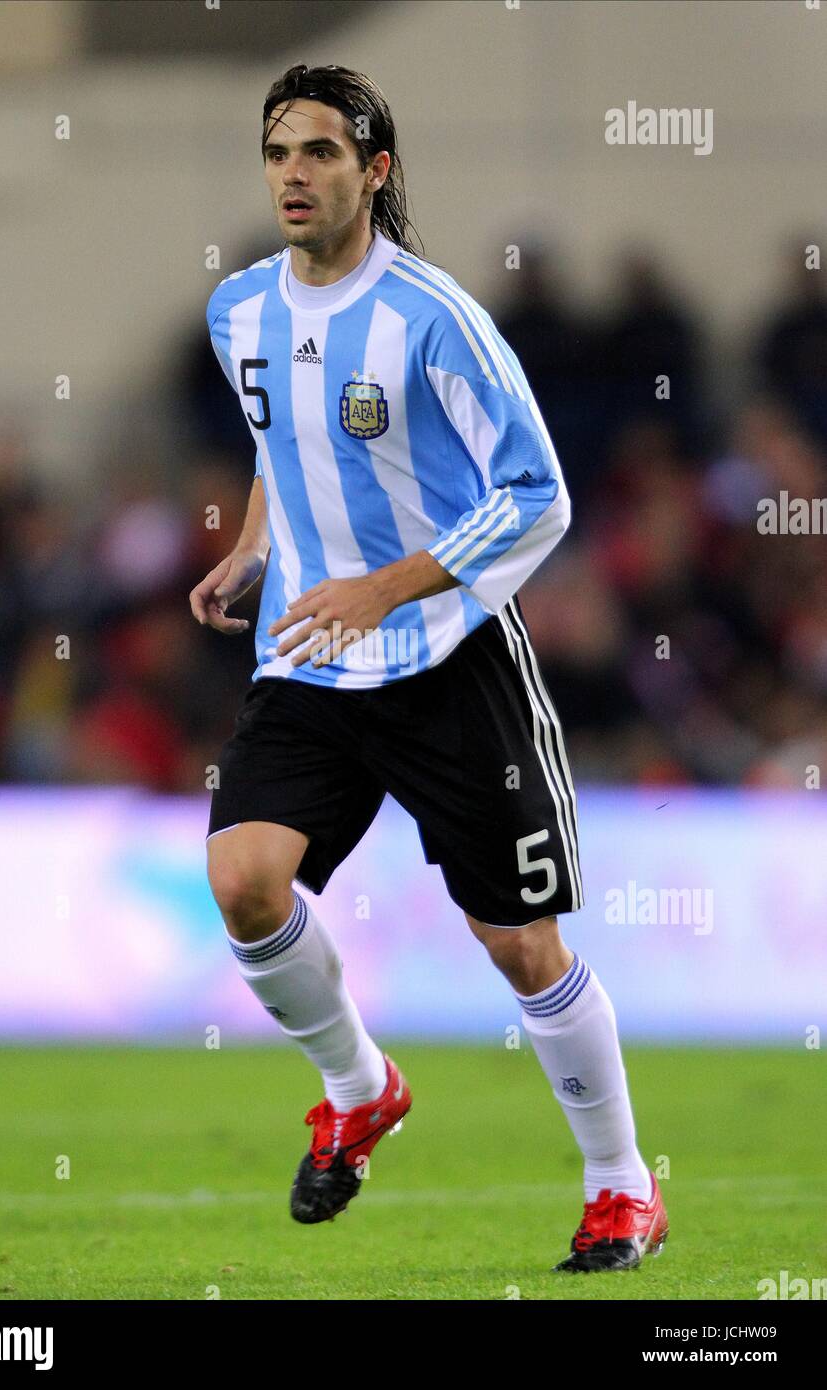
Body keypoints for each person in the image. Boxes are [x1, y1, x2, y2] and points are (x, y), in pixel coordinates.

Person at [190, 63, 667, 1273]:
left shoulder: (434, 318)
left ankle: (621, 1188)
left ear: (374, 171)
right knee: (244, 878)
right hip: (309, 656)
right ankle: (359, 1088)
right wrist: (255, 547)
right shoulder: (237, 308)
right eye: (277, 152)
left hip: (445, 655)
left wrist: (384, 586)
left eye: (319, 153)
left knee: (519, 945)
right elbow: (276, 440)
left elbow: (537, 495)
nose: (293, 174)